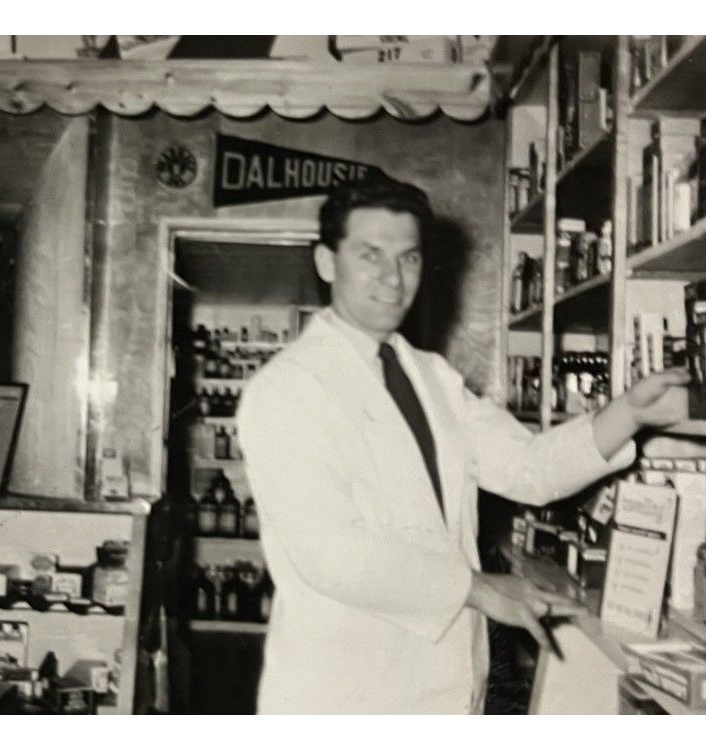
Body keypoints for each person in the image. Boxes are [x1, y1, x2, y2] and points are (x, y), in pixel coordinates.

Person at [235, 178, 689, 714]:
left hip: (444, 689)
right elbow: (332, 555)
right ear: (326, 263)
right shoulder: (288, 388)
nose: (391, 277)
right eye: (369, 255)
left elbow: (528, 468)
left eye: (408, 258)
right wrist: (476, 588)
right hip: (346, 695)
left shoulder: (429, 375)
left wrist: (628, 413)